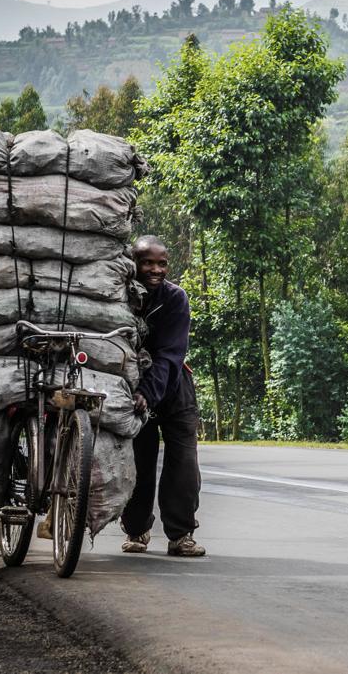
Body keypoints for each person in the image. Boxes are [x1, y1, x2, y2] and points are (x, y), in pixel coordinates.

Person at [118, 235, 206, 557]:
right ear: (133, 264)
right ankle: (137, 530)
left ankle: (181, 535)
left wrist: (147, 393)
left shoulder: (175, 299)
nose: (156, 269)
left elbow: (170, 355)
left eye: (162, 263)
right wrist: (136, 393)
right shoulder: (119, 299)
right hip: (132, 393)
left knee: (183, 464)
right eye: (147, 263)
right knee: (138, 464)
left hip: (173, 390)